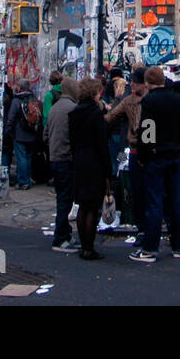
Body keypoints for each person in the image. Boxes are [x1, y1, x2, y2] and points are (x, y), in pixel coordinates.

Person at [129, 66, 180, 262]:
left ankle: (150, 248)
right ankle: (178, 245)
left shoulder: (150, 101)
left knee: (154, 202)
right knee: (175, 201)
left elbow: (147, 131)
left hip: (156, 156)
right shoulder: (177, 100)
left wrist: (143, 156)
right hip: (174, 154)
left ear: (147, 83)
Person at [70, 77, 111, 260]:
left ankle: (83, 245)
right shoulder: (96, 114)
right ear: (96, 92)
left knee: (82, 206)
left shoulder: (74, 113)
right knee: (92, 207)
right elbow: (102, 143)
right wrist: (107, 169)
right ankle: (89, 247)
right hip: (94, 162)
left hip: (79, 161)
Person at [106, 69, 147, 237]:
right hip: (141, 148)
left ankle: (131, 214)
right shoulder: (147, 100)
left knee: (123, 172)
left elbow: (110, 117)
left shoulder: (126, 101)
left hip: (127, 145)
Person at [47, 76, 80, 251]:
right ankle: (61, 238)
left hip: (55, 158)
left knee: (62, 198)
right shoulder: (72, 109)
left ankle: (63, 234)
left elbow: (46, 133)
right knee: (65, 201)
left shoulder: (54, 109)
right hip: (66, 159)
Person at [5, 78, 40, 189]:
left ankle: (23, 181)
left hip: (20, 134)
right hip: (32, 133)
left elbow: (11, 117)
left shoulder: (16, 100)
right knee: (28, 157)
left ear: (19, 87)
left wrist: (8, 132)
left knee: (21, 158)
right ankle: (28, 179)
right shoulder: (33, 98)